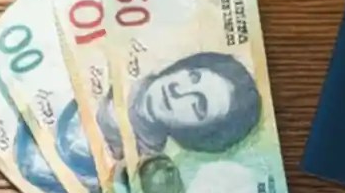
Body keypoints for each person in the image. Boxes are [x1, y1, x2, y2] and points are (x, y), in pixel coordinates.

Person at [97, 52, 262, 160]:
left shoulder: (138, 159)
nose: (178, 90)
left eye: (199, 106)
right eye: (194, 77)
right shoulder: (122, 64)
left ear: (197, 133)